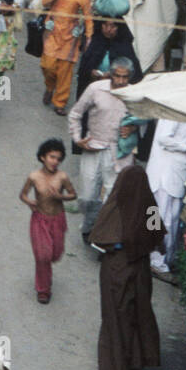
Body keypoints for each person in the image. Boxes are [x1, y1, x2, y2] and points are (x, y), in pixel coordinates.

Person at [89, 164, 162, 370]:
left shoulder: (120, 205)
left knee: (124, 313)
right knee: (124, 312)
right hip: (126, 267)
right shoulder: (146, 206)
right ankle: (116, 365)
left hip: (122, 267)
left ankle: (123, 364)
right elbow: (158, 238)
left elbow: (99, 238)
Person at [68, 60, 135, 241]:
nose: (121, 81)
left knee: (113, 199)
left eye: (125, 77)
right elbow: (75, 114)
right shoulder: (95, 89)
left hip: (119, 152)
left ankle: (104, 237)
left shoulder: (134, 94)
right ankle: (89, 226)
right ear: (110, 74)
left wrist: (133, 128)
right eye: (117, 76)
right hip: (93, 146)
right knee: (87, 196)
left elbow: (144, 119)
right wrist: (77, 139)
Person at [144, 118, 186, 280]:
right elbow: (163, 138)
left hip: (173, 173)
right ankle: (157, 263)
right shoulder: (172, 114)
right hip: (165, 175)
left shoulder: (182, 113)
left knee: (166, 220)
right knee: (162, 221)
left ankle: (163, 261)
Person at [19, 138, 77, 303]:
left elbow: (73, 194)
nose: (55, 162)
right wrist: (30, 202)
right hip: (39, 220)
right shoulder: (34, 177)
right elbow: (22, 195)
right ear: (43, 157)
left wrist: (61, 196)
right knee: (43, 256)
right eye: (52, 157)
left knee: (55, 254)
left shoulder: (62, 177)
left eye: (58, 159)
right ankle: (43, 290)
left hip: (58, 219)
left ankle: (46, 270)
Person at [40, 0, 93, 116]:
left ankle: (60, 102)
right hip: (52, 32)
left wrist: (89, 36)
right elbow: (45, 1)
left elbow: (88, 17)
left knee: (65, 72)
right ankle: (50, 87)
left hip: (70, 38)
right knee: (47, 66)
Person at [76, 16, 142, 100]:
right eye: (105, 25)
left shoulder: (124, 46)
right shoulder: (95, 42)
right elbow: (84, 69)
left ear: (118, 28)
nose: (108, 29)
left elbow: (133, 74)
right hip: (95, 89)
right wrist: (90, 72)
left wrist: (113, 75)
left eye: (112, 26)